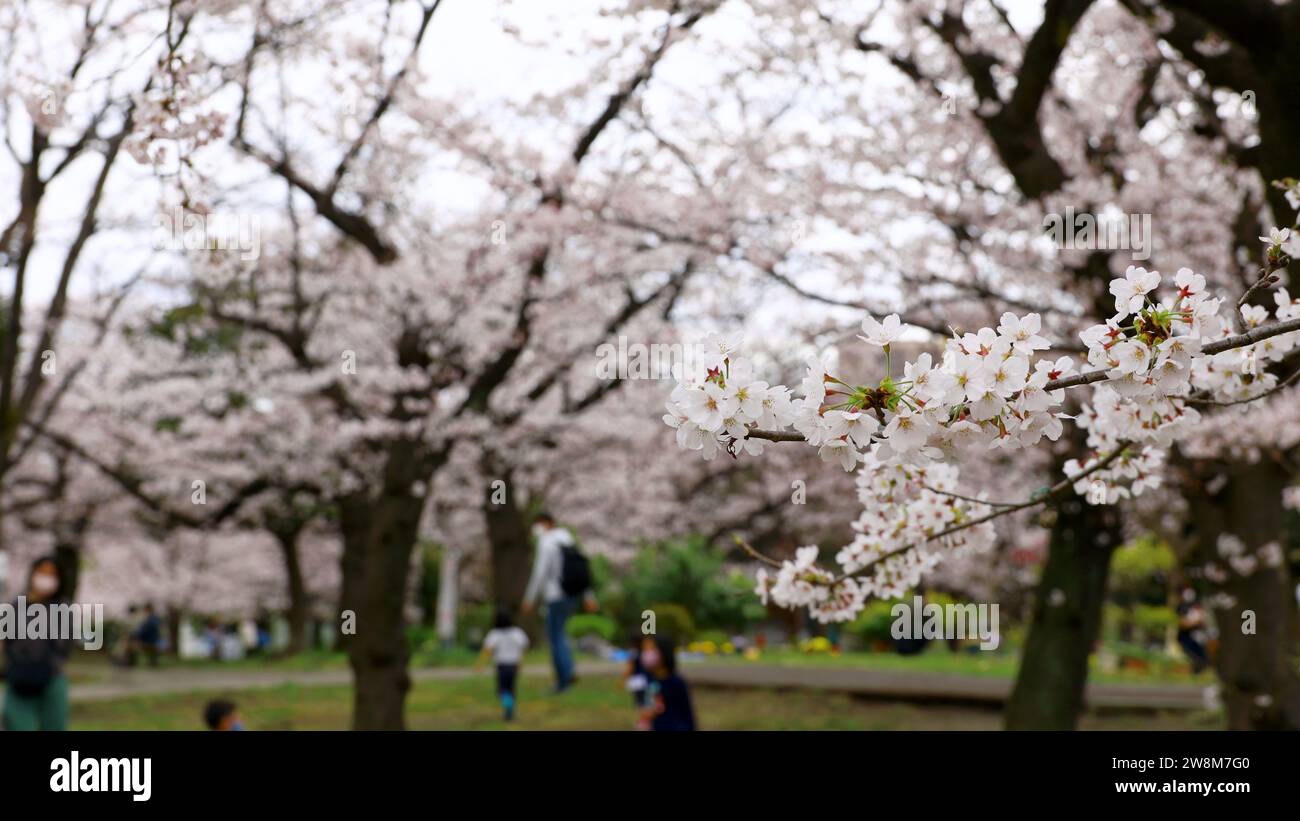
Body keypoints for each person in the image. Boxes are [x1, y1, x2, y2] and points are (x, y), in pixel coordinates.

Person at [520, 512, 594, 692]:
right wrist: (589, 597)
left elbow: (540, 574)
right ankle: (567, 672)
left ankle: (564, 678)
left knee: (555, 636)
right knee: (560, 633)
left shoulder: (547, 544)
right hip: (572, 595)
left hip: (556, 596)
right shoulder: (568, 540)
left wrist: (529, 599)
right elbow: (582, 570)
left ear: (547, 524)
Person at [2, 556, 72, 731]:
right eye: (42, 572)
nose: (46, 578)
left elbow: (66, 646)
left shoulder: (63, 609)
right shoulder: (16, 607)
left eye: (52, 574)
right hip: (19, 678)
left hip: (52, 678)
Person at [479, 610, 530, 721]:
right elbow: (524, 646)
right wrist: (521, 662)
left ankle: (508, 706)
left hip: (502, 665)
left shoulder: (494, 634)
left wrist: (481, 664)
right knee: (511, 688)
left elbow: (487, 650)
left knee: (501, 690)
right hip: (514, 665)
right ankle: (510, 711)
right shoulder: (517, 632)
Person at [643, 636, 695, 732]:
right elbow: (652, 706)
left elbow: (688, 715)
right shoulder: (651, 680)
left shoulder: (676, 682)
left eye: (652, 649)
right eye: (645, 649)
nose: (647, 653)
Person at [1176, 585, 1210, 673]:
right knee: (1192, 655)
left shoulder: (1197, 605)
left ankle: (1201, 669)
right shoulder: (1182, 607)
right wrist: (1195, 622)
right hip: (1186, 637)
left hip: (1198, 636)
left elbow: (1203, 621)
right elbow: (1182, 624)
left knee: (1202, 655)